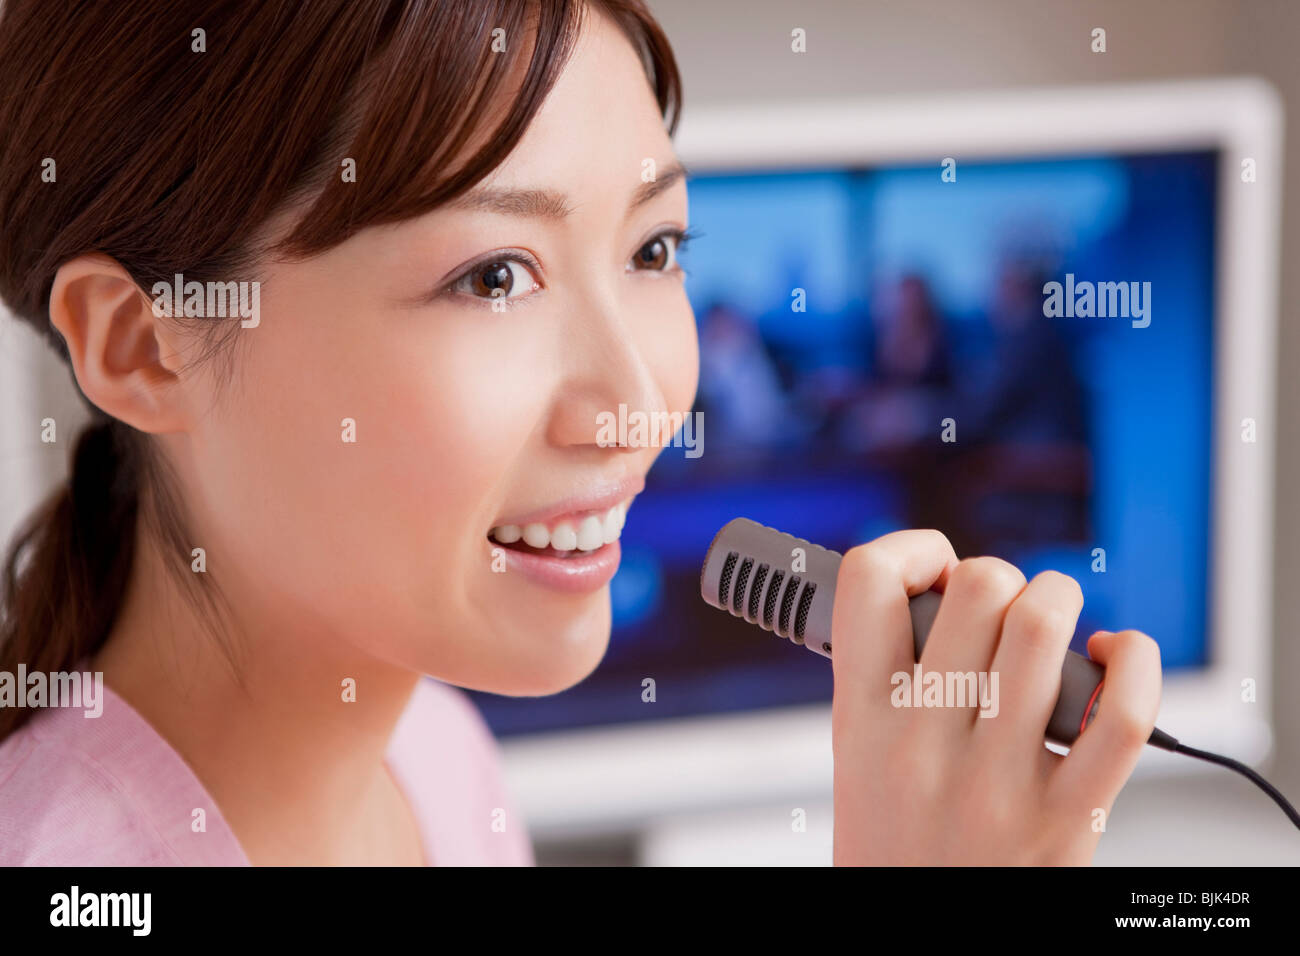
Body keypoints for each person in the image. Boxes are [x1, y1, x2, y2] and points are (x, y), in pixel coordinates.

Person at [0, 0, 1161, 866]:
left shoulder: (432, 754)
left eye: (654, 249)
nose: (640, 400)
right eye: (495, 275)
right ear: (145, 346)